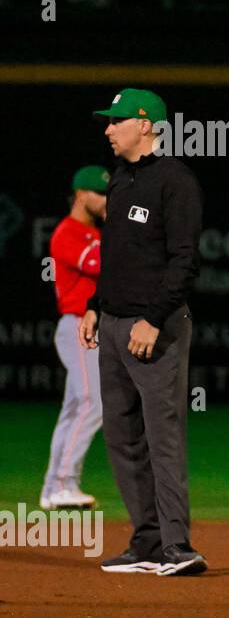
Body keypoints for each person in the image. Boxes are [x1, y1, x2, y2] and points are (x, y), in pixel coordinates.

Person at [79, 89, 206, 577]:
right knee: (123, 437)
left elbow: (184, 261)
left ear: (146, 125)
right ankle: (147, 541)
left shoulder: (176, 182)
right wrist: (95, 306)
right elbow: (117, 257)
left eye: (115, 121)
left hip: (156, 328)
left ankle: (178, 547)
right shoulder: (121, 182)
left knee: (163, 436)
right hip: (111, 326)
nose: (107, 129)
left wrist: (153, 318)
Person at [40, 165, 110, 511]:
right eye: (100, 193)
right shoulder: (67, 232)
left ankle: (53, 488)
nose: (105, 199)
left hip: (90, 327)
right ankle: (65, 482)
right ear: (81, 194)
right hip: (78, 326)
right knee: (92, 401)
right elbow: (102, 264)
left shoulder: (97, 232)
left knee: (74, 409)